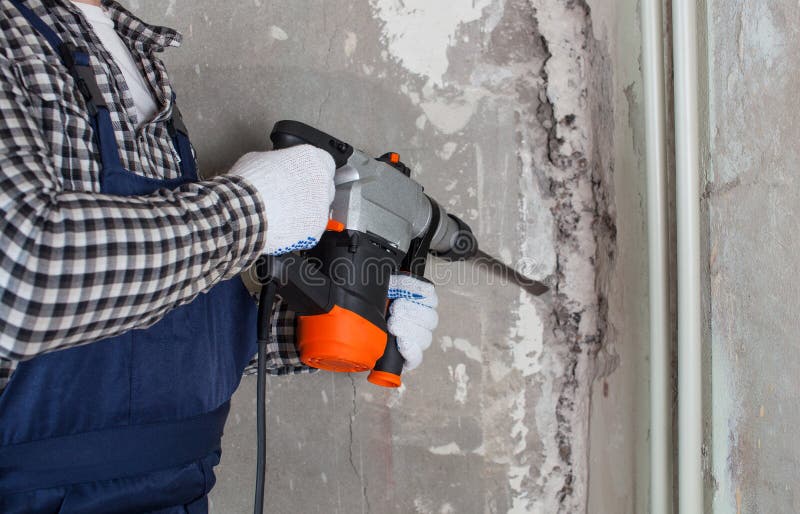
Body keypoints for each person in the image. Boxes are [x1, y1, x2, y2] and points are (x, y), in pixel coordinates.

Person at [0, 1, 440, 512]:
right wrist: (251, 210)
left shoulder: (135, 50)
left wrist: (343, 318)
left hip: (185, 491)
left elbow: (161, 327)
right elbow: (19, 283)